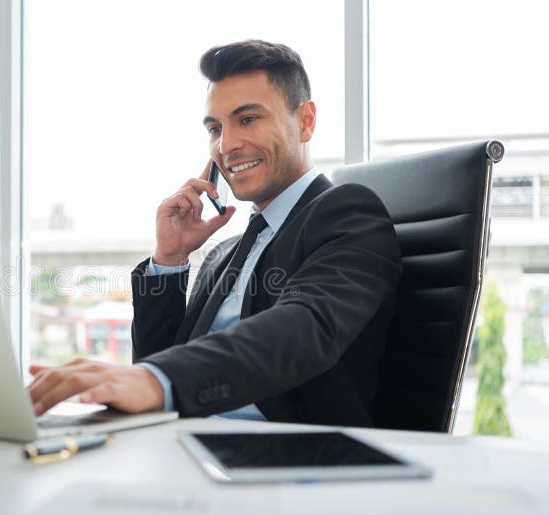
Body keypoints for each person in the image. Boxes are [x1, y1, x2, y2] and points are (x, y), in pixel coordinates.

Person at [28, 40, 402, 427]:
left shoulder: (347, 213)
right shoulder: (225, 253)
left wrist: (157, 379)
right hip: (187, 439)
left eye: (248, 119)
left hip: (291, 448)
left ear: (305, 121)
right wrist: (170, 260)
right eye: (215, 128)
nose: (227, 145)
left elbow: (305, 327)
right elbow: (159, 371)